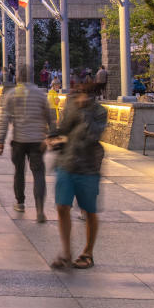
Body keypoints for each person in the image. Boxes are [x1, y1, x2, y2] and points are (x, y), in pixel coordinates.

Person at [47, 81, 107, 269]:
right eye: (78, 91)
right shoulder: (71, 104)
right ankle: (66, 252)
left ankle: (88, 252)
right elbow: (64, 128)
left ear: (92, 95)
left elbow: (94, 136)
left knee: (90, 210)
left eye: (84, 92)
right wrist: (53, 136)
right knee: (62, 206)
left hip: (88, 167)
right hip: (66, 163)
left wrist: (84, 112)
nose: (80, 95)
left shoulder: (100, 112)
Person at [0, 65, 55, 223]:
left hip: (19, 141)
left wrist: (0, 141)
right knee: (38, 173)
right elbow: (50, 115)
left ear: (18, 77)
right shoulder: (40, 94)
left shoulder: (12, 94)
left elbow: (4, 119)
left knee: (19, 171)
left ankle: (20, 203)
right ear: (31, 76)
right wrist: (51, 135)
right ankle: (40, 210)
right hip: (37, 141)